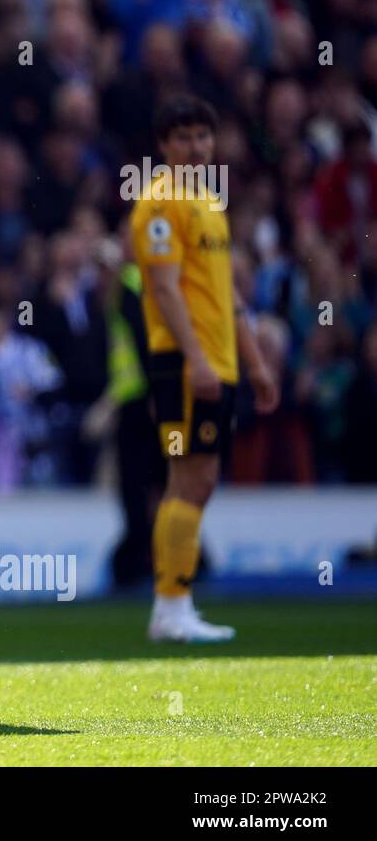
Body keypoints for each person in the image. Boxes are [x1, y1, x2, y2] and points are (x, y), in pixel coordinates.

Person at [128, 95, 280, 643]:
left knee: (198, 479)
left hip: (217, 362)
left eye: (203, 136)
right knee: (190, 479)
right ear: (164, 147)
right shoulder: (160, 203)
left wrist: (256, 363)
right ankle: (171, 607)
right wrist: (195, 359)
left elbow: (228, 294)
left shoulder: (209, 204)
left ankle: (175, 604)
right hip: (184, 363)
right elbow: (164, 290)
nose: (196, 147)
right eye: (184, 137)